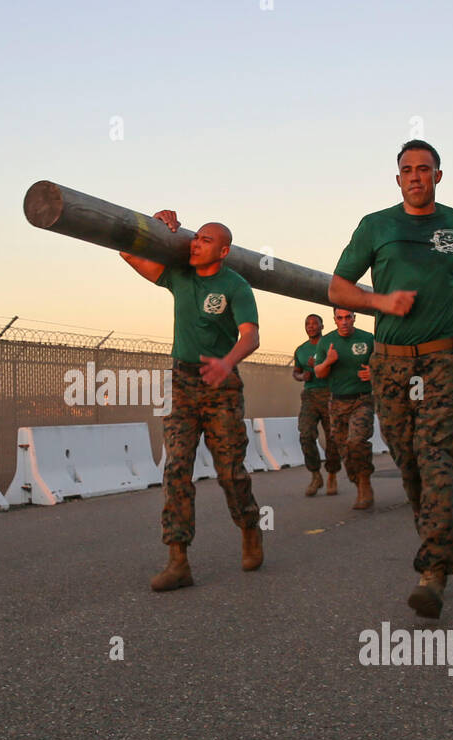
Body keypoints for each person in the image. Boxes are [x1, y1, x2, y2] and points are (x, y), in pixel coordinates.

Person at [328, 139, 453, 618]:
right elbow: (337, 286)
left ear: (439, 175)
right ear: (397, 179)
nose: (416, 176)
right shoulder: (377, 225)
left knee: (436, 462)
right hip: (390, 364)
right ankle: (433, 547)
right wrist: (381, 302)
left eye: (424, 168)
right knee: (410, 466)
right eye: (407, 170)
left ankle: (433, 571)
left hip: (442, 361)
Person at [119, 212, 262, 591]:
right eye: (195, 237)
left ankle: (250, 527)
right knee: (176, 468)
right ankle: (178, 560)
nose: (196, 243)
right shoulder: (178, 275)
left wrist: (228, 362)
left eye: (206, 240)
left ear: (224, 250)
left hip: (221, 386)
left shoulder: (236, 286)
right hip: (181, 383)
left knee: (230, 471)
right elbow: (129, 253)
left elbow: (250, 336)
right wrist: (152, 224)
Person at [313, 307, 376, 508]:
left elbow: (384, 364)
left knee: (357, 441)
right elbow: (319, 373)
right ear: (334, 320)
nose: (344, 321)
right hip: (337, 402)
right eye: (340, 318)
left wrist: (375, 372)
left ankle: (365, 483)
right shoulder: (326, 342)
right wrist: (328, 362)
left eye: (348, 317)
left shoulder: (368, 339)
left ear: (354, 318)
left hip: (362, 400)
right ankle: (358, 483)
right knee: (345, 450)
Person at [293, 313, 339, 496]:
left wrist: (322, 364)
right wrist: (302, 376)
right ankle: (315, 475)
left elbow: (339, 368)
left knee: (333, 438)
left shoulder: (330, 345)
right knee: (305, 434)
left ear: (322, 326)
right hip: (310, 396)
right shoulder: (301, 350)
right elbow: (296, 372)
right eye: (307, 324)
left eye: (314, 323)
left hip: (330, 394)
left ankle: (332, 475)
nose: (311, 326)